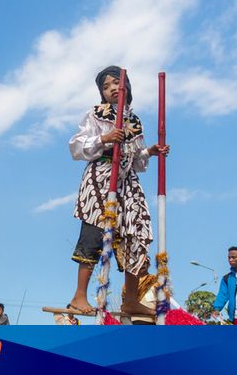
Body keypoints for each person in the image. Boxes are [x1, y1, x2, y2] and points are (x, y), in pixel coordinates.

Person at [67, 66, 169, 316]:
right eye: (106, 86)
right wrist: (105, 138)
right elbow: (76, 147)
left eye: (116, 83)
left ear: (126, 88)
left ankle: (131, 299)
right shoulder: (95, 113)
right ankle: (79, 296)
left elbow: (135, 161)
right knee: (95, 232)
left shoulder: (134, 121)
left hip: (127, 184)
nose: (112, 88)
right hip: (101, 179)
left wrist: (150, 152)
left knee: (137, 234)